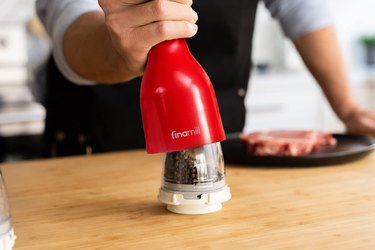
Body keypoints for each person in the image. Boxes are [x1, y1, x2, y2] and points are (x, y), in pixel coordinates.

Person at [36, 0, 375, 157]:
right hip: (95, 152)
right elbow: (70, 19)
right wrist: (122, 52)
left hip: (222, 143)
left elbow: (302, 7)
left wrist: (347, 108)